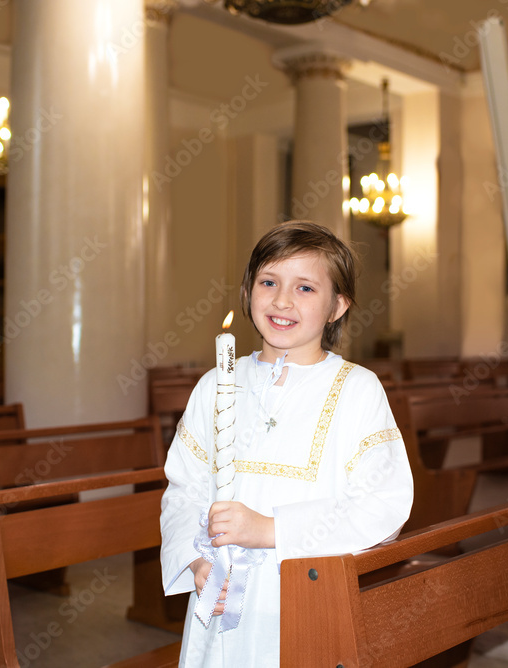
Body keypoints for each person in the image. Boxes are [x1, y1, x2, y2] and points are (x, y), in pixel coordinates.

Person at [160, 220, 413, 667]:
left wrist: (270, 529)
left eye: (305, 289)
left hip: (309, 594)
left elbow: (384, 504)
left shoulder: (357, 389)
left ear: (338, 306)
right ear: (248, 290)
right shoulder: (216, 384)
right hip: (221, 593)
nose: (282, 300)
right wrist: (195, 561)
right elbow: (184, 488)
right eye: (269, 282)